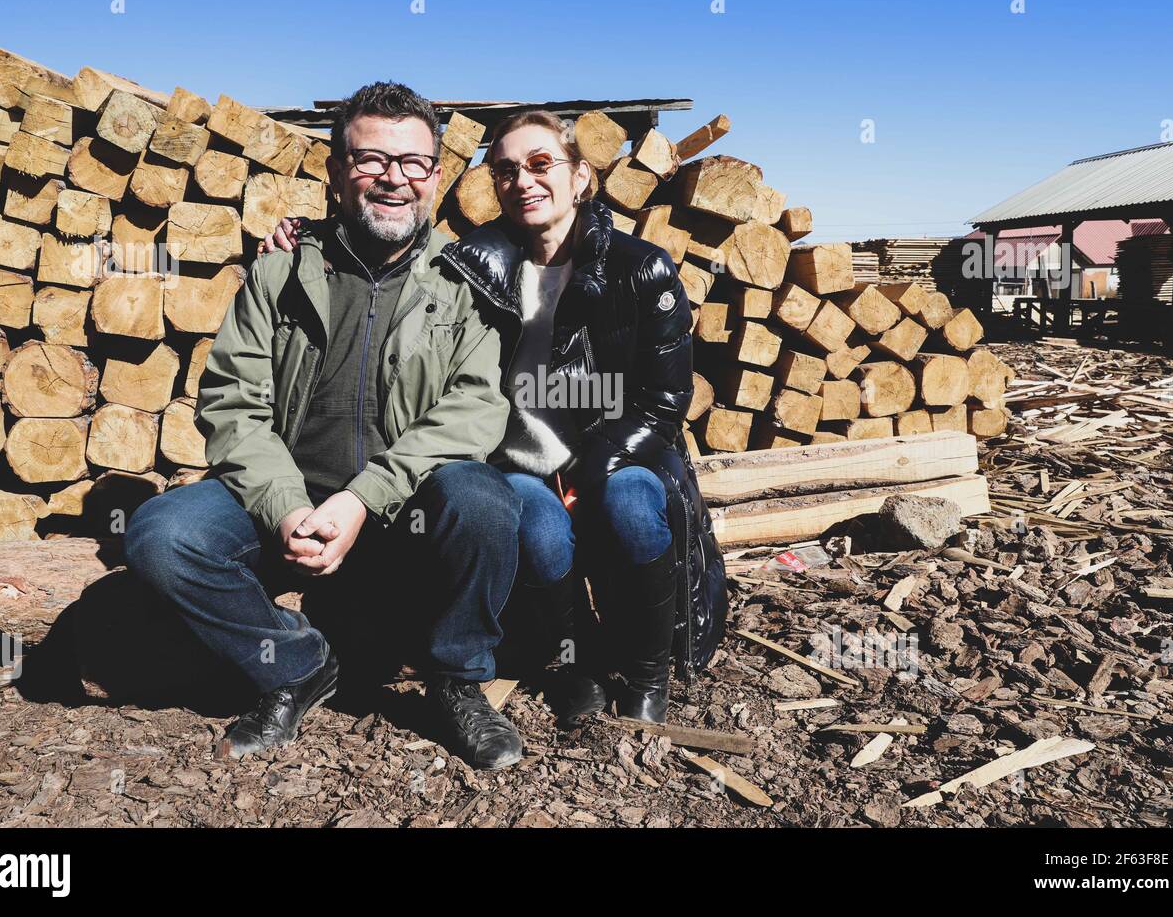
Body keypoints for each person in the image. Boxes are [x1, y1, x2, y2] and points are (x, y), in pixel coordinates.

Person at [270, 110, 728, 725]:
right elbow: (384, 237)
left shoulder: (640, 268)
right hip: (514, 461)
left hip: (617, 452)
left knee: (632, 508)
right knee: (535, 528)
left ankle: (647, 672)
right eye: (506, 170)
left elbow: (666, 401)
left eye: (542, 164)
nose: (524, 181)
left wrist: (588, 474)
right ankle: (574, 664)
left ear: (581, 177)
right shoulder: (475, 263)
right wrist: (306, 234)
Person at [124, 82, 527, 770]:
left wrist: (364, 497)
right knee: (162, 537)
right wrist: (286, 506)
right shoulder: (279, 271)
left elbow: (473, 410)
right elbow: (233, 401)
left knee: (485, 501)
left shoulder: (465, 284)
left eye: (413, 163)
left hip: (404, 508)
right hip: (286, 499)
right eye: (371, 159)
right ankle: (296, 665)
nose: (393, 179)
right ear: (337, 171)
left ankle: (458, 681)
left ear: (435, 177)